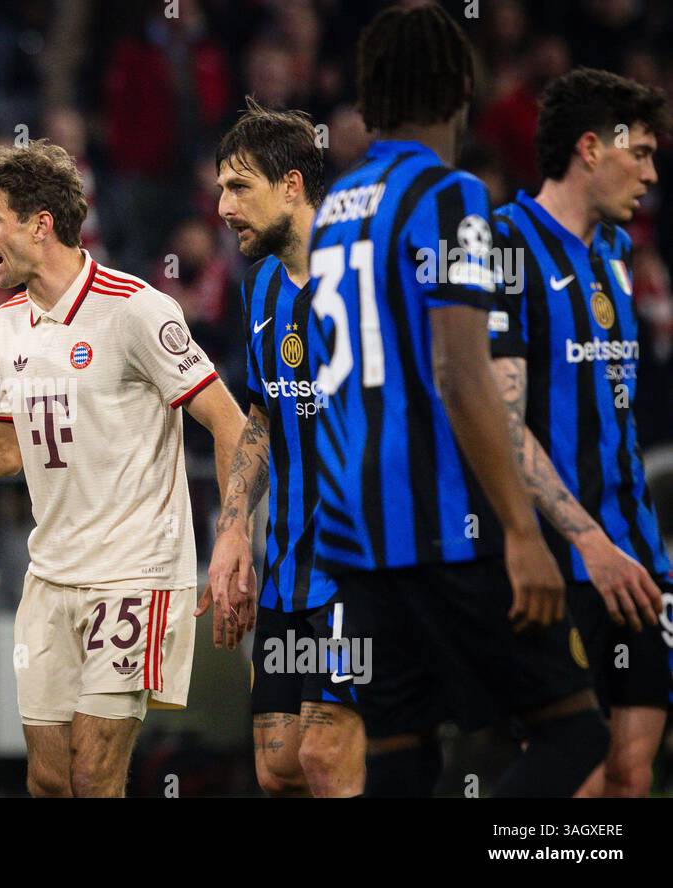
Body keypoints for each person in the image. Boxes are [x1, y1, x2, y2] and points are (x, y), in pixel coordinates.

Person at [305, 3, 607, 797]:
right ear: (460, 85)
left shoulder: (334, 211)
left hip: (357, 537)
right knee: (574, 732)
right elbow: (462, 372)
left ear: (371, 93)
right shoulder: (452, 196)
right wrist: (519, 529)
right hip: (447, 527)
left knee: (401, 764)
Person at [0, 141, 249, 798]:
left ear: (41, 223)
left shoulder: (135, 309)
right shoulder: (7, 326)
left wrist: (232, 537)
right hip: (52, 576)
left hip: (134, 573)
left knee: (95, 772)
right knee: (49, 778)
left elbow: (230, 421)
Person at [488, 67, 673, 797]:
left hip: (638, 556)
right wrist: (587, 541)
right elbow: (500, 420)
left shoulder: (617, 255)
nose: (653, 174)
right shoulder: (504, 246)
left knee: (632, 774)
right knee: (578, 773)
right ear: (591, 148)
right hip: (558, 569)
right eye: (642, 154)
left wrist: (625, 546)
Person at [217, 97, 366, 797]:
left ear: (293, 186)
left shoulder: (364, 278)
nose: (223, 206)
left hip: (361, 569)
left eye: (239, 186)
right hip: (288, 571)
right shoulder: (264, 286)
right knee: (278, 769)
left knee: (325, 762)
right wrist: (233, 532)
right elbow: (261, 413)